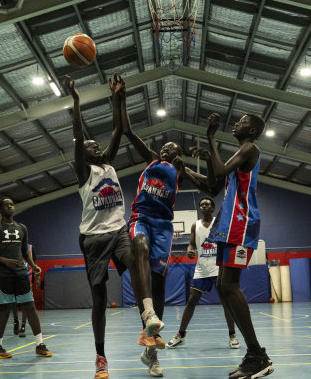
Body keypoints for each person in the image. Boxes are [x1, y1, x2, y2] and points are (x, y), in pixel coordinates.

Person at [179, 113, 273, 378]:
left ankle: (256, 354)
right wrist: (183, 169)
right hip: (228, 223)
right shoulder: (240, 154)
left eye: (242, 122)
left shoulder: (249, 148)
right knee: (222, 285)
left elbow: (219, 171)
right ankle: (255, 353)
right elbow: (212, 184)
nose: (236, 124)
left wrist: (211, 139)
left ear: (252, 130)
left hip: (241, 223)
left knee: (229, 285)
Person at [66, 74, 144, 379]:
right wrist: (75, 101)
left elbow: (116, 130)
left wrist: (117, 96)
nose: (95, 146)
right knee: (99, 298)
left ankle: (147, 322)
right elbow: (77, 136)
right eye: (90, 146)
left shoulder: (109, 164)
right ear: (83, 156)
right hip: (93, 239)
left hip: (117, 229)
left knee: (137, 260)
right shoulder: (84, 173)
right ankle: (100, 357)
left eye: (97, 145)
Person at [119, 81, 184, 378]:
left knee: (157, 285)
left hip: (165, 226)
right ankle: (147, 313)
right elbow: (129, 132)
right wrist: (121, 99)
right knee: (140, 247)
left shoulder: (178, 174)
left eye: (172, 147)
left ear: (177, 155)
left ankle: (151, 352)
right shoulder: (152, 161)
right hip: (141, 217)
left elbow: (212, 183)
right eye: (165, 146)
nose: (166, 148)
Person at [0, 197, 52, 359]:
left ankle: (40, 345)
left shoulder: (22, 228)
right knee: (5, 309)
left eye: (12, 204)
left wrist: (33, 265)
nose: (10, 206)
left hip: (20, 273)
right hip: (2, 274)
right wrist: (4, 260)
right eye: (6, 204)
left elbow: (25, 250)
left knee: (30, 306)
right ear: (0, 209)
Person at [166, 196, 240, 350]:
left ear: (213, 208)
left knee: (226, 303)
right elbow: (192, 244)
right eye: (202, 205)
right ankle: (181, 334)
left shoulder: (218, 223)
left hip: (219, 267)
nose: (204, 207)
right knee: (191, 301)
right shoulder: (195, 225)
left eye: (207, 204)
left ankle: (232, 335)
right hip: (201, 268)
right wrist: (190, 250)